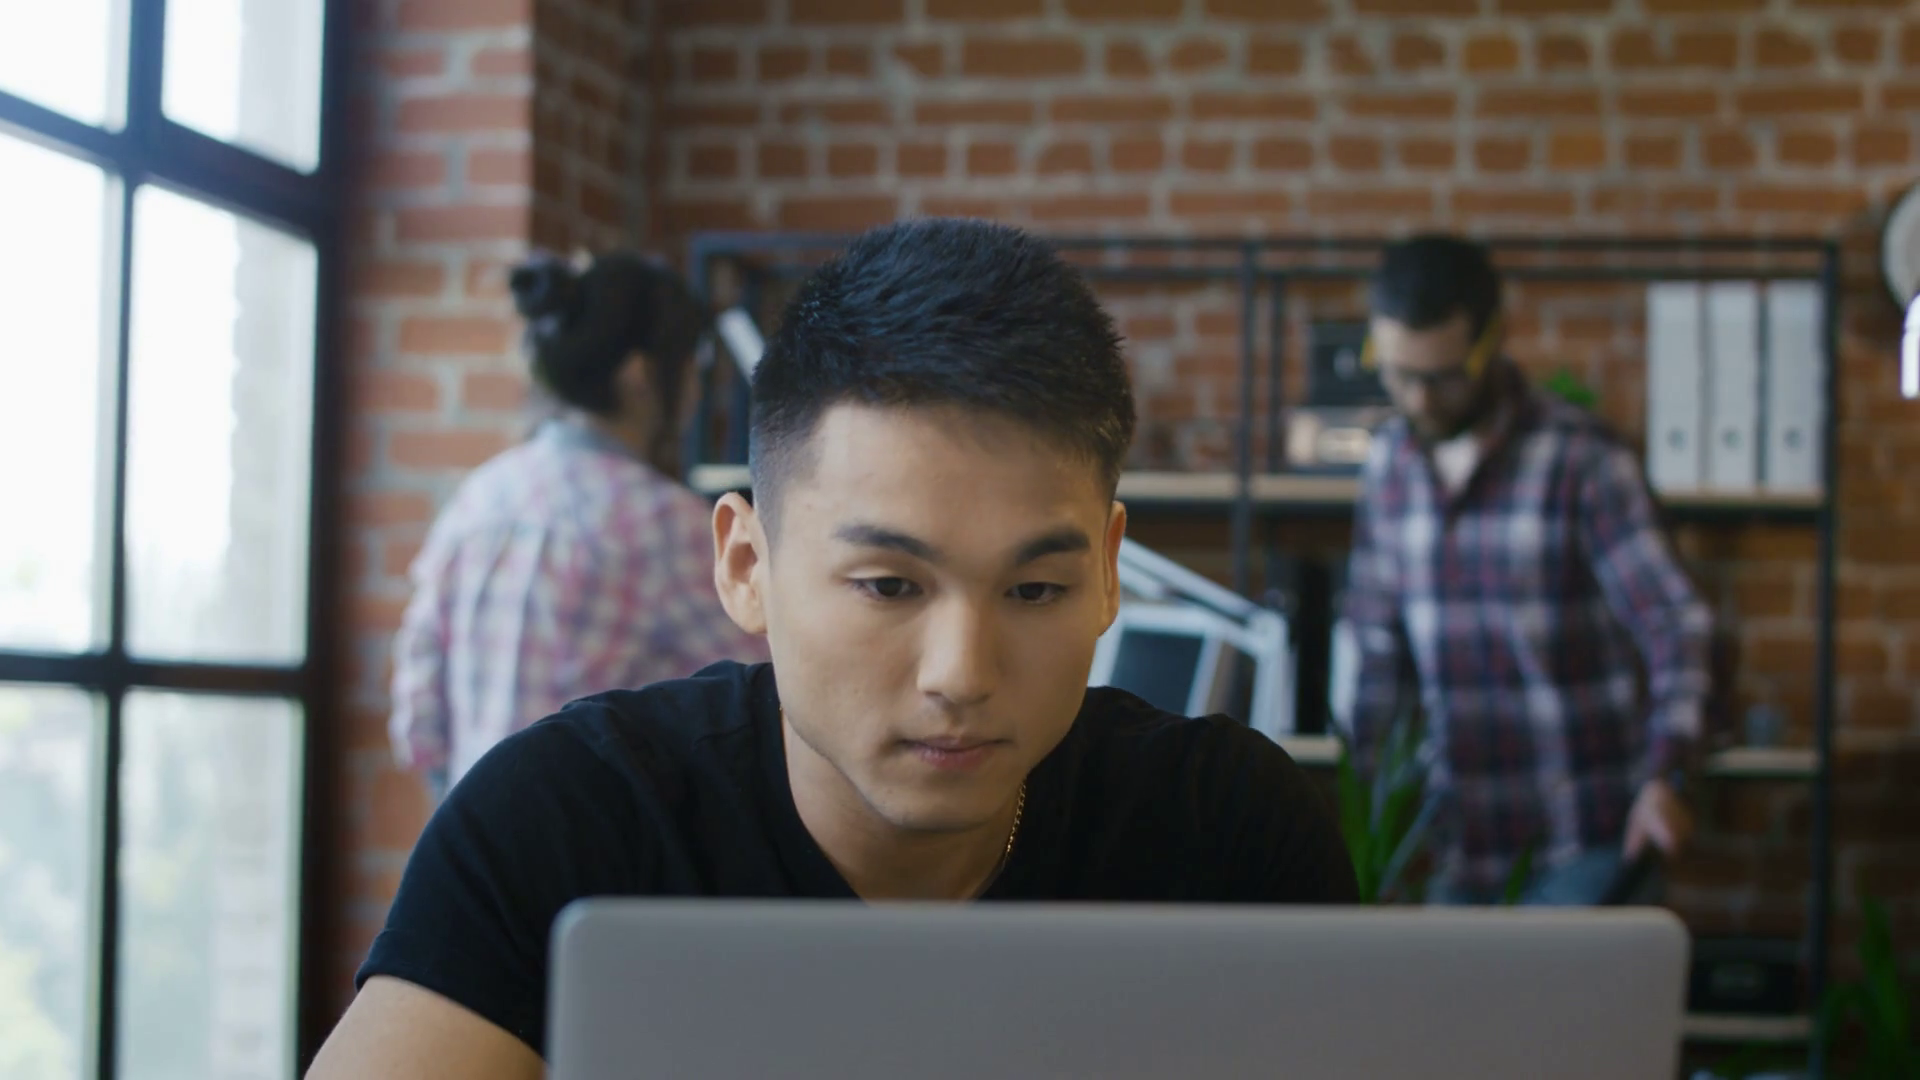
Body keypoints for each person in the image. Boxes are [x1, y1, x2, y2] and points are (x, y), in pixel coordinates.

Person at [311, 219, 1358, 1079]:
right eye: (889, 586)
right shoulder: (566, 822)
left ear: (1110, 572)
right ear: (746, 565)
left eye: (1035, 590)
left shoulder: (1225, 832)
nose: (961, 673)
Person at [1338, 234, 1712, 906]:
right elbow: (1376, 662)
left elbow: (1675, 622)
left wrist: (1668, 775)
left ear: (1493, 342)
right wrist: (1364, 826)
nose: (1418, 399)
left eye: (1442, 377)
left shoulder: (1582, 459)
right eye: (1398, 374)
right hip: (1451, 852)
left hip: (1589, 843)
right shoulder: (1388, 468)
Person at [388, 251, 768, 796]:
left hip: (469, 832)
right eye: (691, 367)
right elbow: (769, 691)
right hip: (607, 841)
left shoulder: (476, 499)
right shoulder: (663, 521)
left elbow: (418, 719)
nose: (696, 391)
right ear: (639, 375)